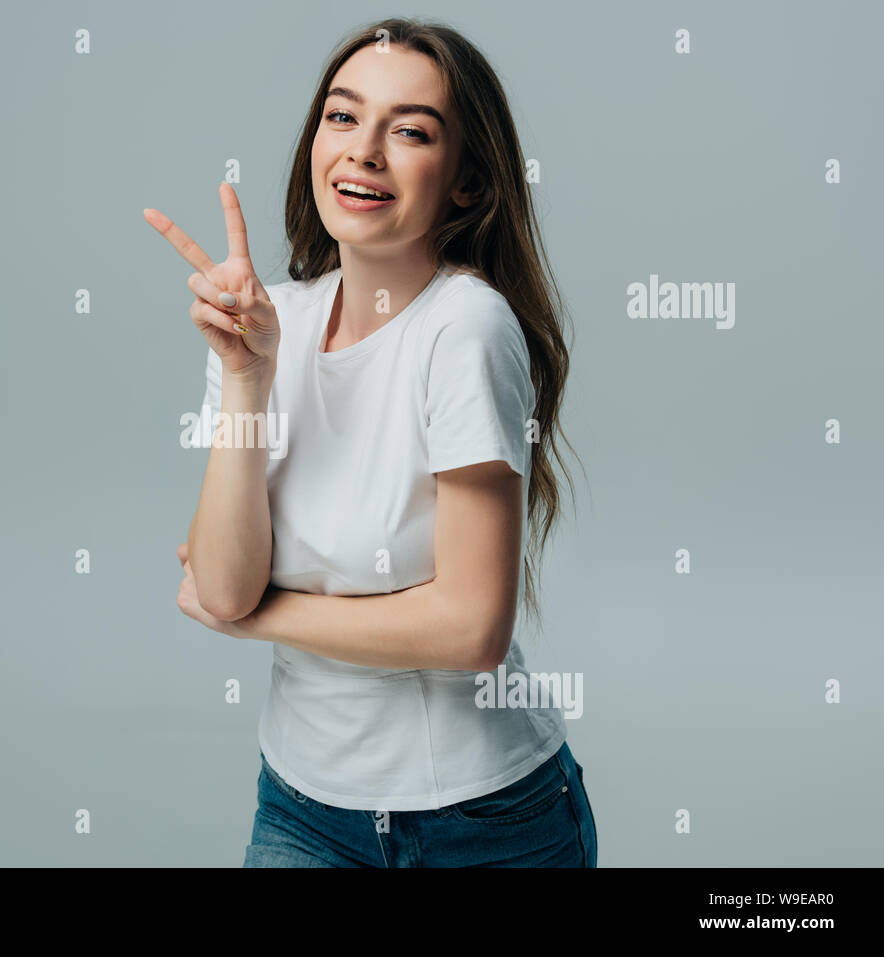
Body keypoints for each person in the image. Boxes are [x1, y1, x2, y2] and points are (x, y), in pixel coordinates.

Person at [145, 16, 594, 867]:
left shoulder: (465, 328)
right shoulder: (268, 320)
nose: (364, 151)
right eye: (343, 117)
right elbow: (224, 578)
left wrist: (261, 617)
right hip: (304, 807)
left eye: (411, 130)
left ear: (464, 183)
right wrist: (246, 377)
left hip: (482, 821)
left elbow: (471, 626)